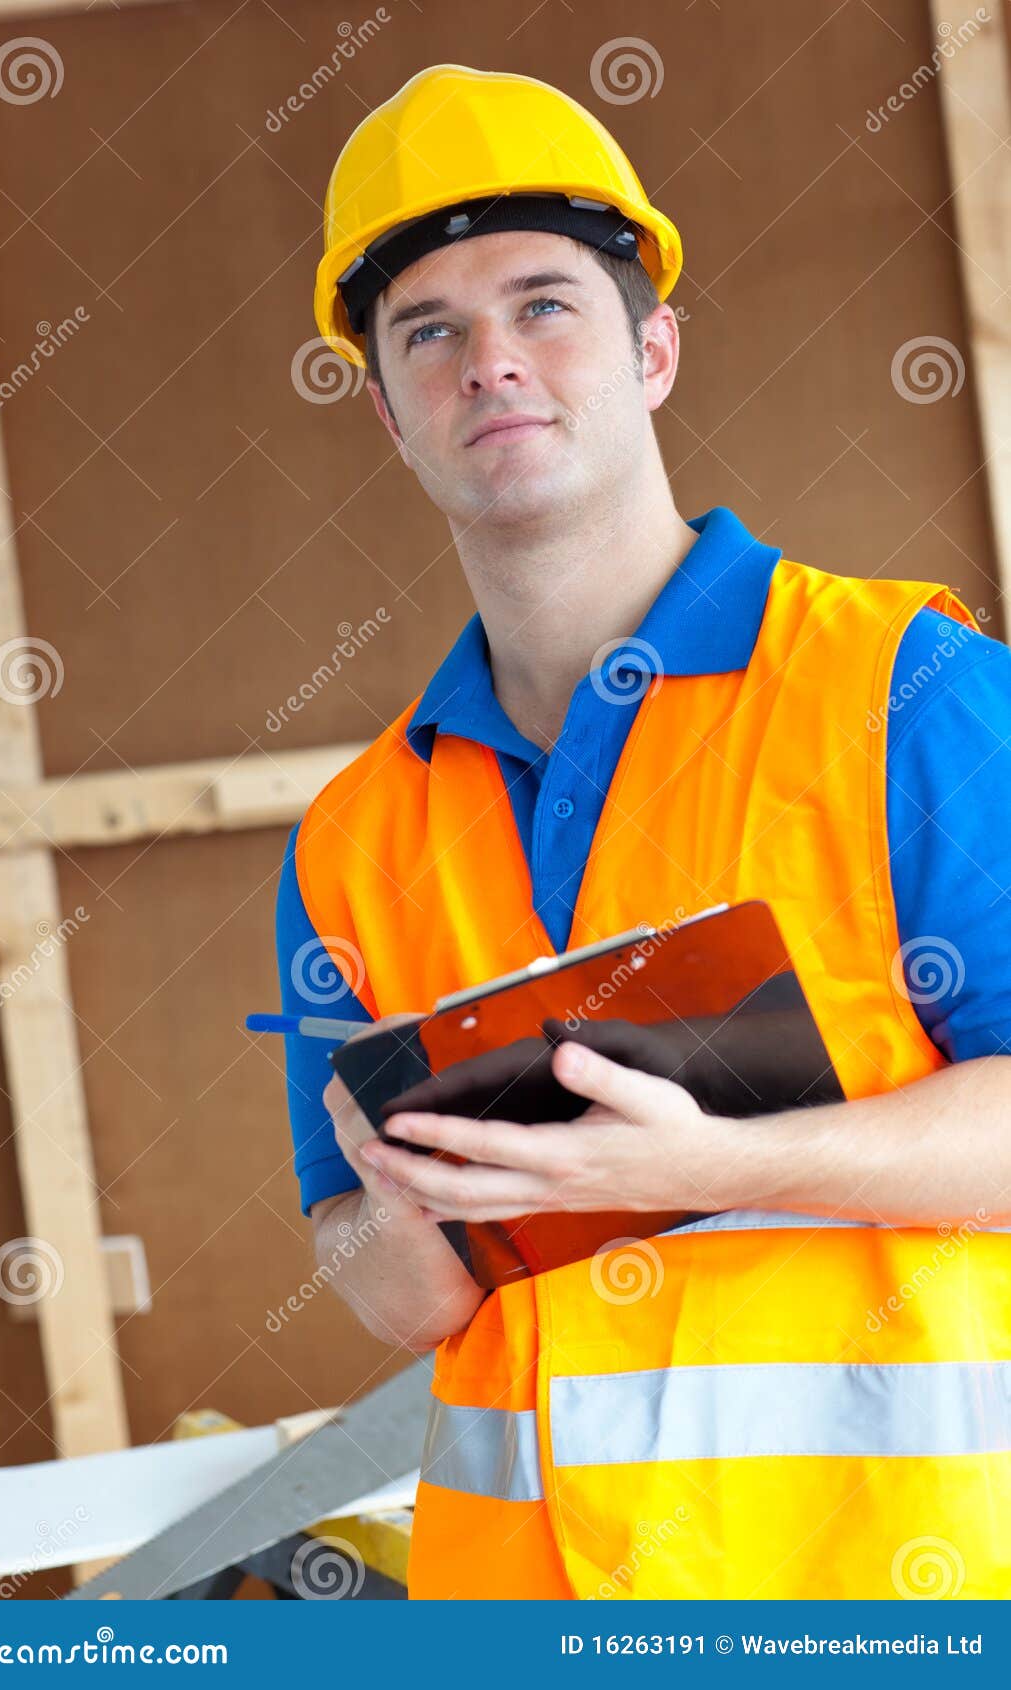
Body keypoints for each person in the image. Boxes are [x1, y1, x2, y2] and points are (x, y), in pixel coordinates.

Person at [274, 64, 1011, 1598]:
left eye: (545, 303)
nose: (491, 361)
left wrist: (735, 1154)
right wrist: (401, 1203)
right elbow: (390, 1288)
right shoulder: (357, 836)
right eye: (430, 332)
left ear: (652, 348)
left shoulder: (906, 689)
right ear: (387, 408)